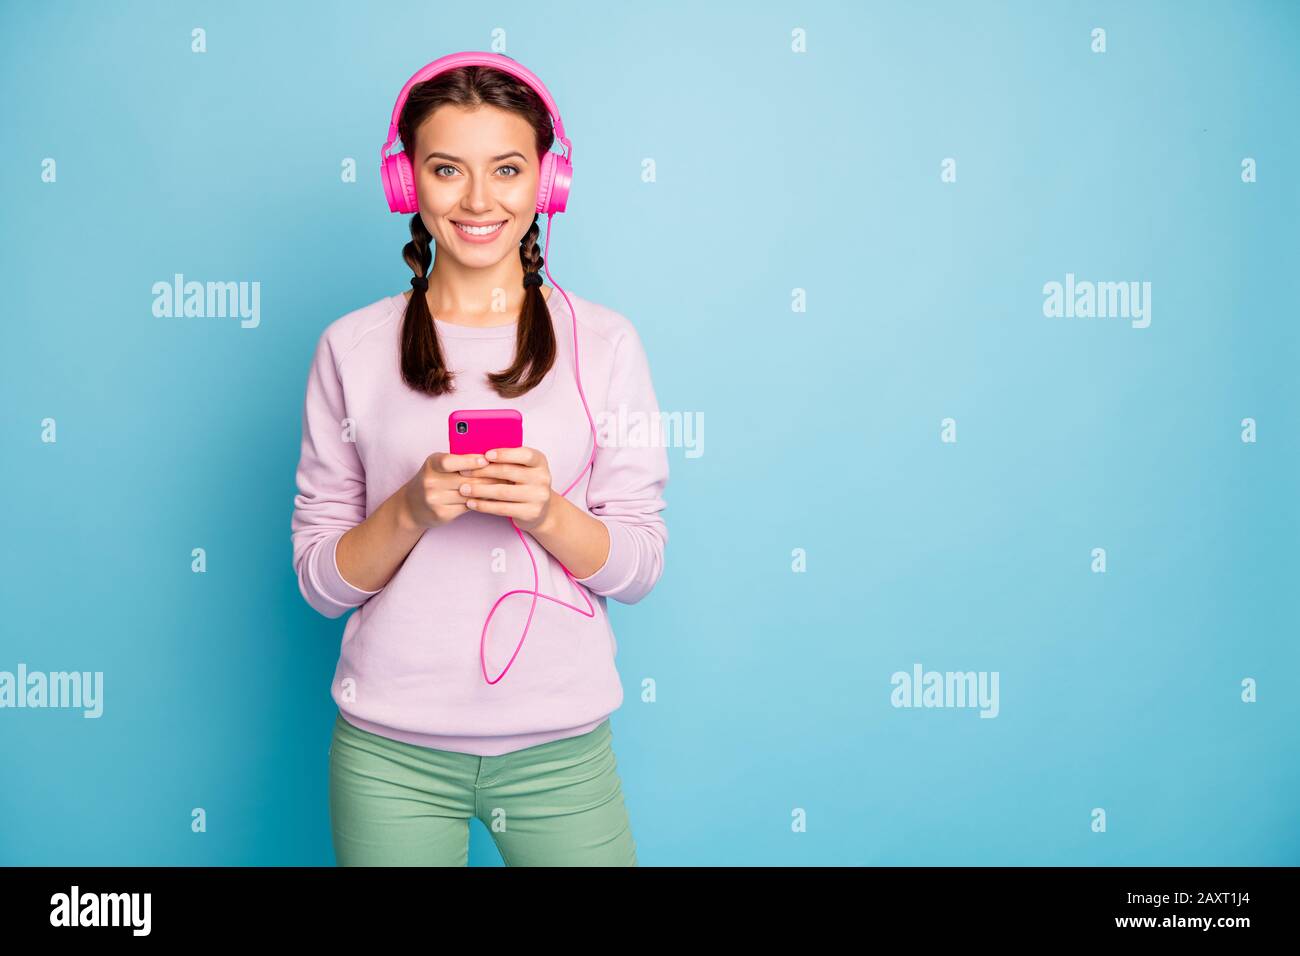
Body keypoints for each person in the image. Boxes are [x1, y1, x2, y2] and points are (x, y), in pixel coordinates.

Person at [289, 59, 669, 866]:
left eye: (506, 169)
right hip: (389, 756)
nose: (477, 200)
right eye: (446, 169)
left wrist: (547, 513)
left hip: (560, 754)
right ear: (405, 182)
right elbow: (318, 585)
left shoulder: (605, 344)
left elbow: (639, 569)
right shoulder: (350, 348)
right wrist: (409, 509)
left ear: (548, 179)